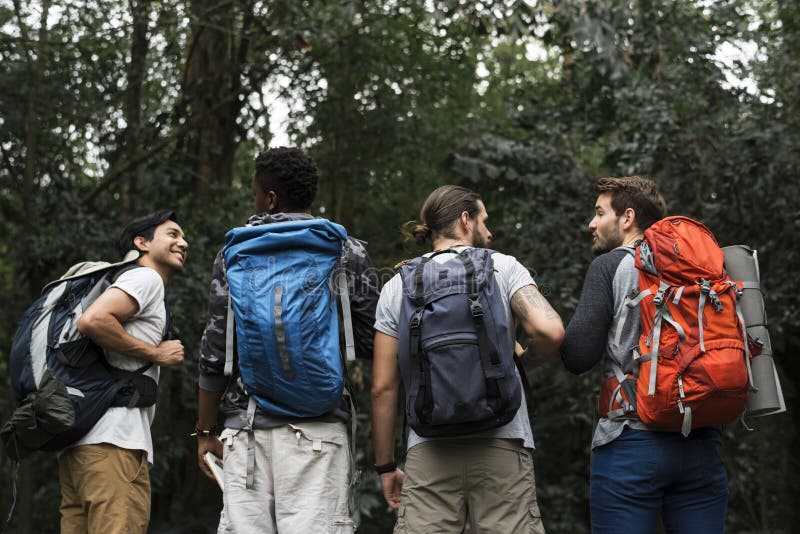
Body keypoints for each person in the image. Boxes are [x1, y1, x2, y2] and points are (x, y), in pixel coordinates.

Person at [196, 146, 379, 533]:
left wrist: (206, 431)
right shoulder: (346, 250)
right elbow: (370, 340)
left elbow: (214, 351)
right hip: (319, 428)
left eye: (255, 192)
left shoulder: (233, 253)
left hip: (246, 429)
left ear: (270, 198)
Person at [371, 185, 564, 534]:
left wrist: (385, 466)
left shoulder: (396, 285)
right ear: (465, 219)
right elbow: (550, 331)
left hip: (428, 449)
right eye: (484, 220)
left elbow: (383, 388)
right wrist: (520, 364)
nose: (489, 232)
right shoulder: (503, 268)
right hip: (502, 440)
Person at [561, 176, 729, 533]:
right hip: (701, 436)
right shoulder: (705, 268)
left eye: (599, 213)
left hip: (631, 443)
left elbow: (577, 356)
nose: (591, 224)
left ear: (627, 218)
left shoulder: (610, 266)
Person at [58, 210, 188, 534]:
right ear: (141, 243)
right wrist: (154, 353)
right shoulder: (146, 278)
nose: (183, 243)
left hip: (79, 445)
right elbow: (93, 320)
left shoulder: (124, 281)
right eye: (172, 234)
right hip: (115, 442)